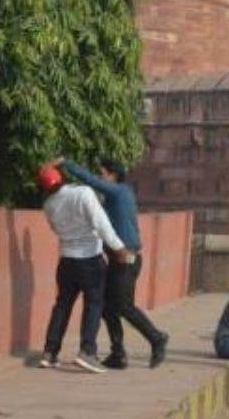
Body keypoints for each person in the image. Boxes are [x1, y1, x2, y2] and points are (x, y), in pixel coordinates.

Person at [58, 158, 168, 370]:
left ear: (112, 175)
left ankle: (157, 338)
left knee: (124, 305)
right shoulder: (112, 199)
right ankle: (118, 353)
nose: (100, 177)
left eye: (102, 173)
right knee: (107, 306)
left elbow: (90, 181)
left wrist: (67, 164)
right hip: (118, 259)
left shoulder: (120, 192)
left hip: (126, 258)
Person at [35, 165, 130, 374]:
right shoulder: (83, 193)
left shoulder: (48, 205)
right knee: (93, 305)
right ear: (62, 178)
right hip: (90, 260)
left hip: (66, 261)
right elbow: (101, 222)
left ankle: (50, 352)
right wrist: (118, 247)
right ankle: (87, 352)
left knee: (62, 305)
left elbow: (55, 229)